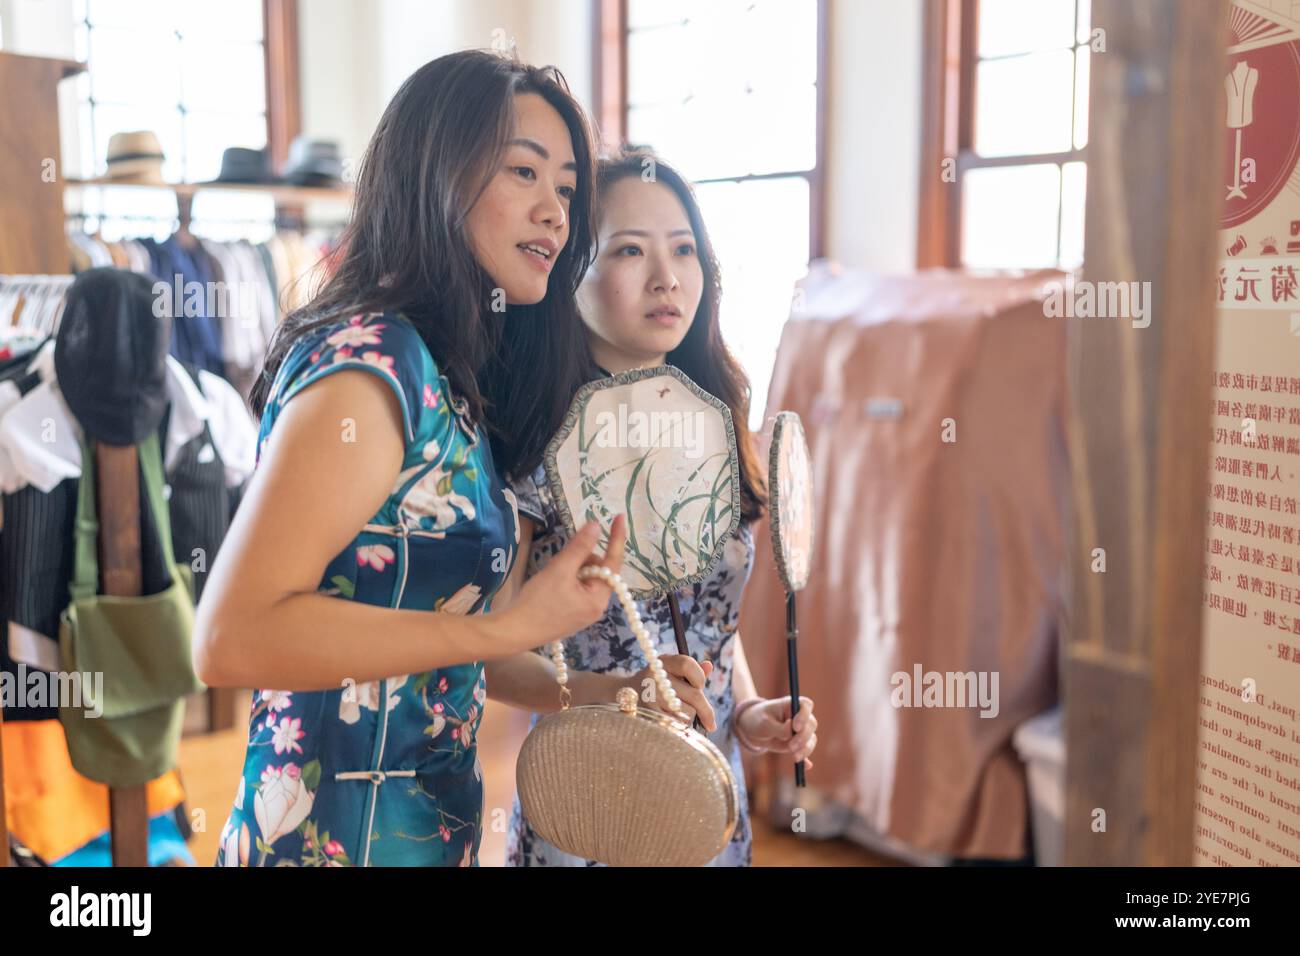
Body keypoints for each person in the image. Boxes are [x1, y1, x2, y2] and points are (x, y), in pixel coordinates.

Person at [194, 50, 628, 868]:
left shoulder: (445, 372)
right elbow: (230, 636)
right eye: (524, 173)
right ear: (436, 175)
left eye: (566, 189)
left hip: (428, 833)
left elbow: (448, 644)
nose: (555, 213)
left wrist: (604, 694)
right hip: (328, 842)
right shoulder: (373, 366)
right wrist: (512, 621)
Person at [488, 149, 819, 867]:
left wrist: (754, 713)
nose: (667, 277)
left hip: (707, 800)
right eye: (630, 250)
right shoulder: (533, 443)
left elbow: (709, 618)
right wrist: (621, 691)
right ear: (569, 271)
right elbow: (495, 656)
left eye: (684, 250)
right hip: (589, 805)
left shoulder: (718, 421)